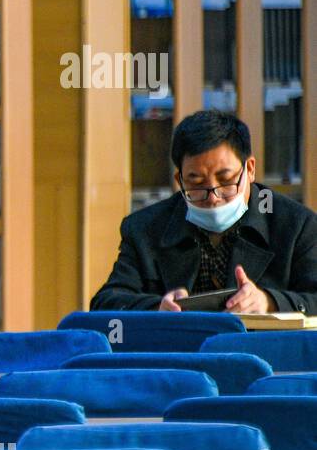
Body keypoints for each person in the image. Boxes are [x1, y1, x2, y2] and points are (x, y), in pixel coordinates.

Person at [91, 110, 317, 314]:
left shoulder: (296, 226)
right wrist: (156, 307)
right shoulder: (145, 229)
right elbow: (106, 302)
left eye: (226, 180)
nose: (213, 198)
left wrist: (270, 302)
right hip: (178, 355)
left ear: (249, 169)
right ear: (179, 180)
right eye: (197, 183)